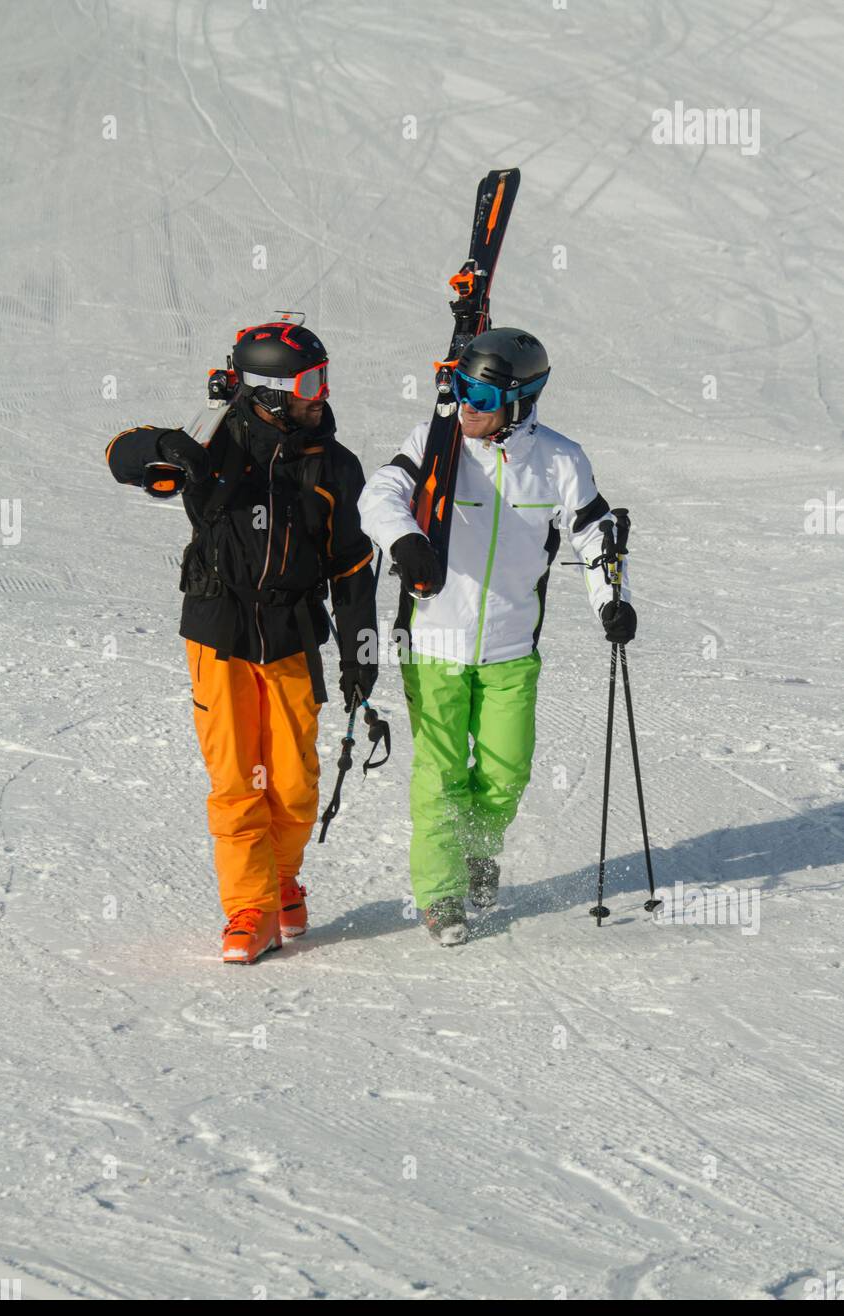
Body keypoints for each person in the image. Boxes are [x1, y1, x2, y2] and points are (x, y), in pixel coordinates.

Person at [106, 319, 377, 963]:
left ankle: (283, 883)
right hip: (218, 631)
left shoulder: (333, 464)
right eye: (310, 382)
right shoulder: (214, 442)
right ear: (270, 391)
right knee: (236, 779)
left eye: (323, 378)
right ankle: (249, 909)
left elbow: (351, 566)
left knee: (294, 780)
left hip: (291, 631)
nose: (322, 393)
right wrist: (166, 444)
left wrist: (359, 654)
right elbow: (122, 454)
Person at [358, 326, 635, 945]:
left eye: (482, 397)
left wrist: (611, 601)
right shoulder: (434, 445)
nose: (467, 407)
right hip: (432, 645)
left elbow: (594, 534)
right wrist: (404, 540)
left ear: (520, 402)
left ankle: (480, 849)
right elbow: (378, 495)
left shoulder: (561, 460)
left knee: (506, 773)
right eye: (459, 390)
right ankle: (441, 895)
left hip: (512, 648)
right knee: (440, 774)